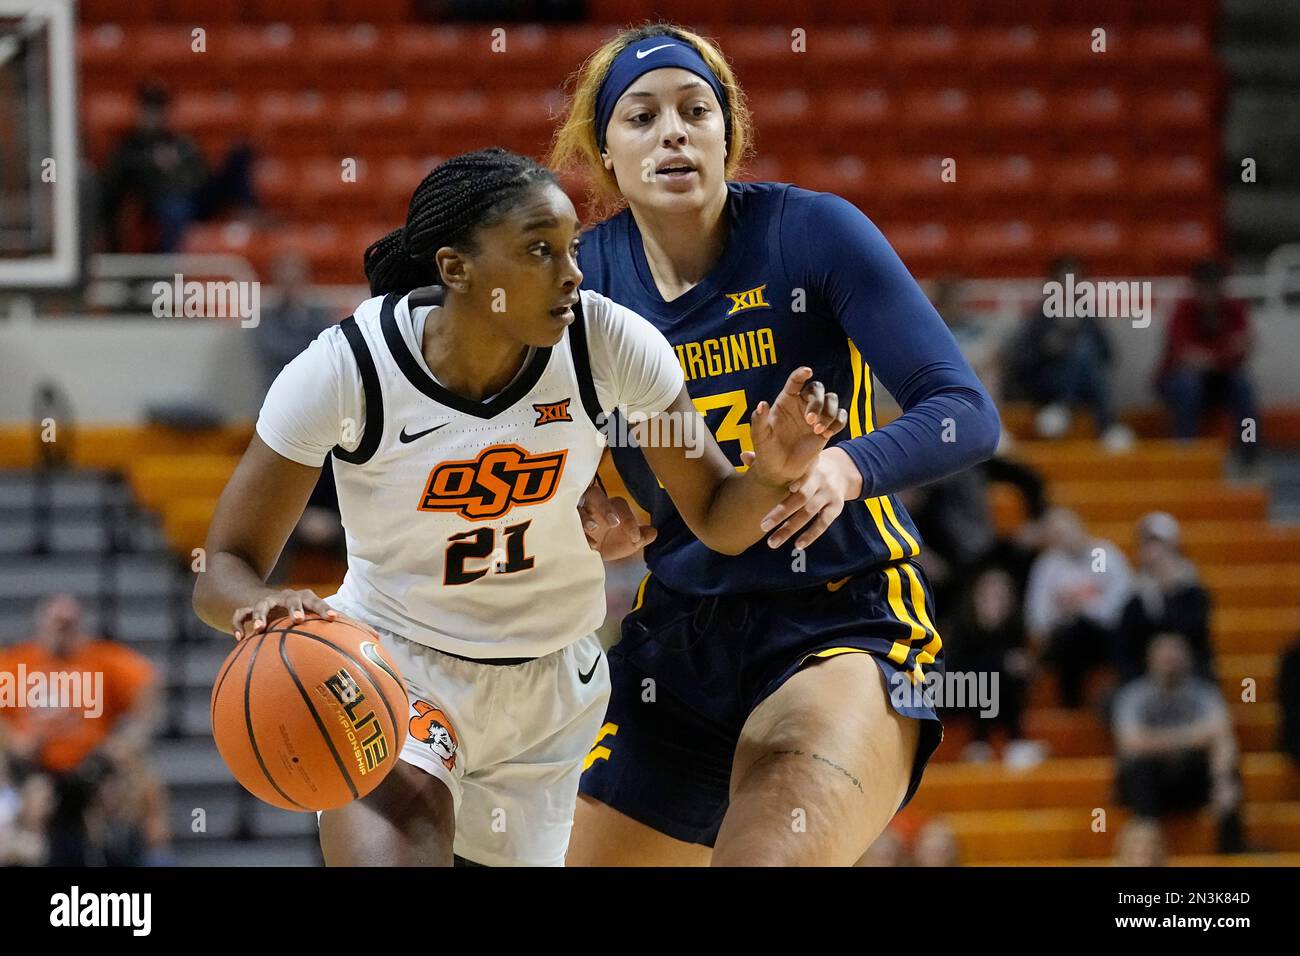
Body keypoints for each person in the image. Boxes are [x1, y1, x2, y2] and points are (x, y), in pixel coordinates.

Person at [191, 148, 848, 868]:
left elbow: (718, 516)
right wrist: (260, 606)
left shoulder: (610, 343)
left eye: (571, 249)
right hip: (396, 666)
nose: (572, 272)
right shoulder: (347, 369)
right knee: (401, 835)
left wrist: (773, 472)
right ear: (456, 269)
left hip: (553, 691)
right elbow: (224, 564)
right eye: (540, 250)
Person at [548, 24, 1001, 865]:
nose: (673, 131)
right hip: (680, 630)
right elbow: (527, 441)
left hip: (843, 610)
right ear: (604, 155)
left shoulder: (813, 233)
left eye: (695, 110)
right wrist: (582, 507)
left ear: (731, 136)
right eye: (640, 117)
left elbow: (965, 410)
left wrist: (846, 461)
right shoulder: (584, 281)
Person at [0, 594, 158, 866]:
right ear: (42, 624)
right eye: (57, 623)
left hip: (91, 766)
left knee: (129, 785)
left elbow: (147, 683)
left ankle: (121, 853)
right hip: (36, 766)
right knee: (37, 799)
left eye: (69, 624)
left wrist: (127, 739)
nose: (62, 631)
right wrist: (14, 740)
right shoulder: (17, 662)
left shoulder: (100, 659)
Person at [1111, 634, 1245, 854]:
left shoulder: (1205, 692)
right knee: (1138, 767)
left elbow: (1222, 736)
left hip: (1191, 781)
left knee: (1229, 770)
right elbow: (1130, 743)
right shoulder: (1133, 695)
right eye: (1164, 656)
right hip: (1150, 786)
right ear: (1149, 659)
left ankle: (1232, 850)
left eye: (1175, 655)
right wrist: (1192, 737)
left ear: (1188, 659)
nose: (1170, 661)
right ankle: (1145, 850)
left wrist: (1222, 779)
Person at [99, 82, 257, 253]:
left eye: (159, 108)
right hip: (162, 202)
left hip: (196, 197)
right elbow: (116, 186)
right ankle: (170, 270)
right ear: (140, 111)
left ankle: (251, 216)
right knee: (174, 209)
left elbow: (203, 173)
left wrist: (185, 167)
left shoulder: (180, 141)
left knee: (240, 154)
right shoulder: (131, 146)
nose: (154, 115)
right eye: (149, 109)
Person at [1005, 256, 1132, 451]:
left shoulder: (1088, 317)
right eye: (1064, 282)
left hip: (1084, 383)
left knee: (1085, 352)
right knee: (1082, 352)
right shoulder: (1040, 317)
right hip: (1047, 382)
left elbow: (1108, 354)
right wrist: (1047, 350)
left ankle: (1063, 406)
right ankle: (1107, 426)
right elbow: (1021, 361)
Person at [1155, 259, 1262, 468]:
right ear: (1195, 288)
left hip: (1220, 379)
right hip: (1176, 380)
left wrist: (1212, 357)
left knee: (1244, 387)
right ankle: (1187, 451)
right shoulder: (1182, 310)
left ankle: (1250, 449)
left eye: (1215, 287)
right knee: (1189, 386)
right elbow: (1188, 357)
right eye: (1205, 288)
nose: (1210, 295)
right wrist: (1226, 352)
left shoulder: (1234, 307)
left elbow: (1246, 345)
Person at [1024, 508, 1132, 708]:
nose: (1065, 539)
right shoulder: (1048, 565)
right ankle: (1070, 703)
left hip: (1102, 633)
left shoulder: (1100, 555)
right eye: (1058, 535)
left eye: (1068, 531)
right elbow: (1038, 615)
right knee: (1069, 636)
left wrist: (1084, 607)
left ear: (1080, 527)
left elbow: (1119, 601)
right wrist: (1063, 615)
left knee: (1086, 629)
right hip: (1065, 638)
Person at [1115, 511, 1213, 682]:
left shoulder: (1195, 593)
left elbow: (1196, 637)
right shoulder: (1134, 596)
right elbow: (1126, 646)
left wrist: (1170, 593)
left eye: (1160, 545)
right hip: (1144, 678)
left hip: (1190, 677)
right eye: (1148, 545)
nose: (1155, 553)